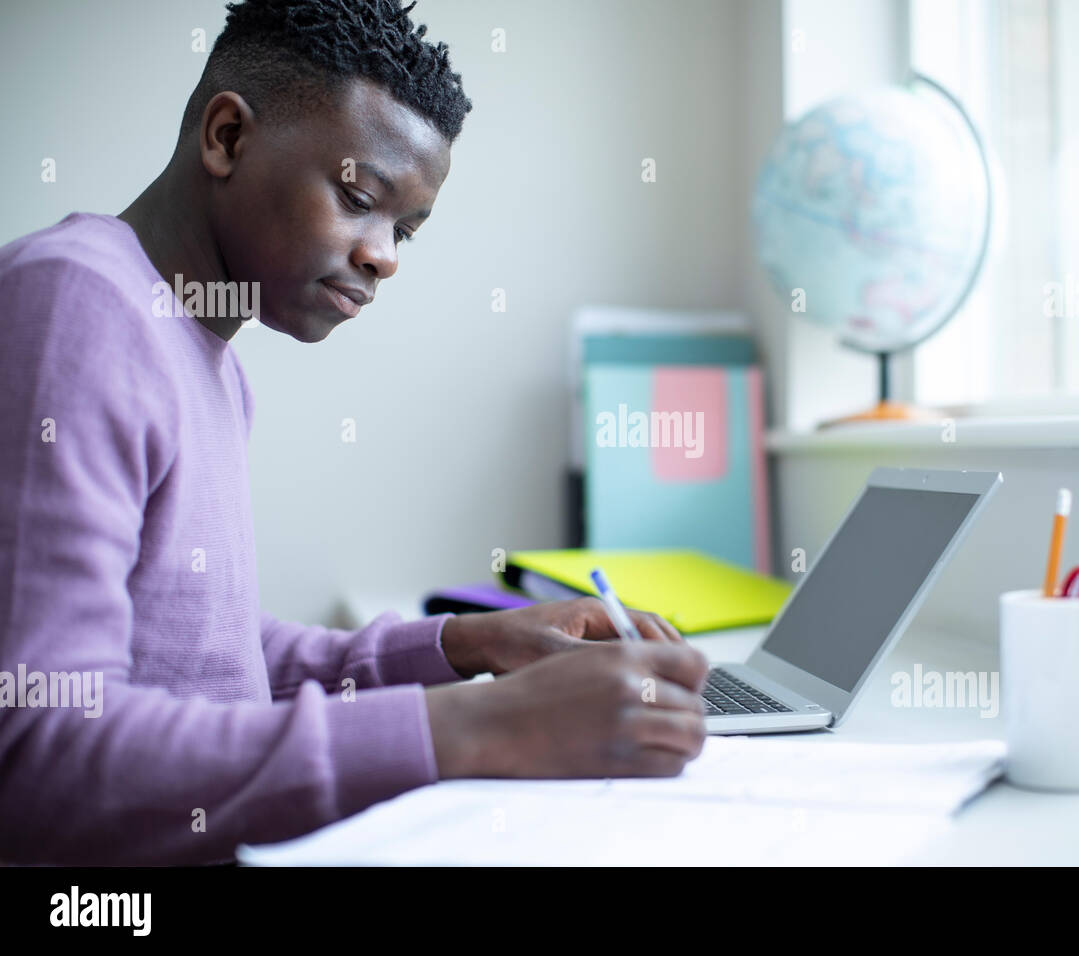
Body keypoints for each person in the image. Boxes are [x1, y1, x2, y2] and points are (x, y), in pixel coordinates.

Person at [0, 0, 708, 866]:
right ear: (226, 137)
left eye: (404, 230)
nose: (386, 256)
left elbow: (208, 656)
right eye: (359, 199)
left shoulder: (211, 363)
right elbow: (35, 752)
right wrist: (472, 726)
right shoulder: (75, 308)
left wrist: (463, 645)